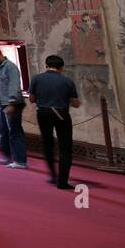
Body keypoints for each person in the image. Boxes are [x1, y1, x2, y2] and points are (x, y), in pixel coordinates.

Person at [28, 55, 80, 190]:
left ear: (46, 65)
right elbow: (75, 103)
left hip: (43, 113)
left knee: (47, 143)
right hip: (61, 114)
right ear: (61, 68)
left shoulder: (36, 79)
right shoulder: (67, 81)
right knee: (65, 147)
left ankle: (53, 175)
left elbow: (32, 99)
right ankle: (62, 181)